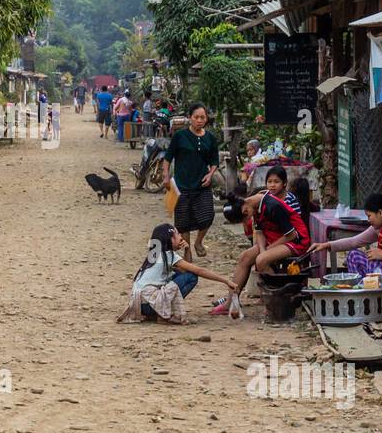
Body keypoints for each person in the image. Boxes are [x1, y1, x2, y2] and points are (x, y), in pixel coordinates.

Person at [117, 223, 236, 324]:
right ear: (170, 239)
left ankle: (158, 311)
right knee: (192, 277)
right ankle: (165, 312)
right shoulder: (169, 255)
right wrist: (226, 281)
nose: (180, 237)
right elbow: (197, 271)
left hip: (139, 305)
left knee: (181, 274)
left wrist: (187, 249)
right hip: (148, 304)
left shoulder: (154, 254)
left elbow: (185, 269)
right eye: (177, 234)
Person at [310, 193, 382, 290]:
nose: (368, 220)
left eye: (369, 216)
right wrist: (326, 245)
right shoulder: (380, 229)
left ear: (380, 213)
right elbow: (354, 242)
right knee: (353, 255)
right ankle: (362, 290)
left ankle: (371, 293)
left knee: (375, 263)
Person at [222, 187, 312, 300]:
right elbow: (259, 232)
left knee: (261, 260)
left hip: (296, 240)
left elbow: (291, 235)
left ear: (245, 211)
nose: (246, 222)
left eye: (245, 219)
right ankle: (231, 302)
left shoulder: (272, 206)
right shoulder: (253, 205)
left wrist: (266, 251)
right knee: (244, 257)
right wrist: (263, 250)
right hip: (276, 239)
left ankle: (278, 298)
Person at [165, 102, 219, 262]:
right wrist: (165, 176)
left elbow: (214, 161)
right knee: (183, 222)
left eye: (202, 117)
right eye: (196, 117)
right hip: (181, 185)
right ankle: (187, 251)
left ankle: (199, 242)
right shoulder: (180, 136)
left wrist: (210, 174)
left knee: (208, 216)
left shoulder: (210, 138)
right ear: (190, 118)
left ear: (206, 119)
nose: (199, 120)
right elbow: (168, 158)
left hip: (202, 184)